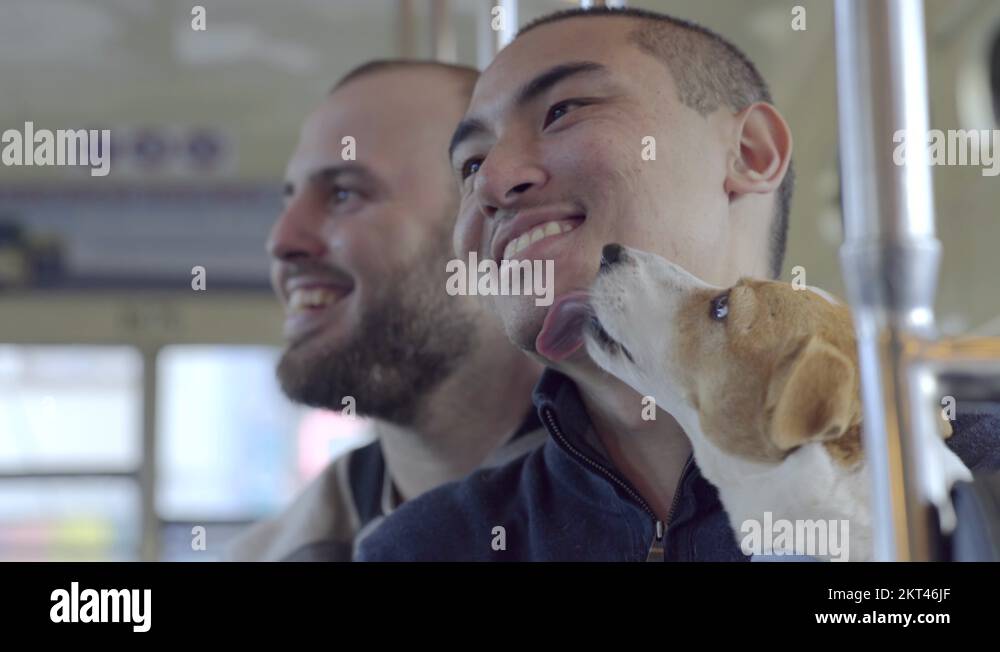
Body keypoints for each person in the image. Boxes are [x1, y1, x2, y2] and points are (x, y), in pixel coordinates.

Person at [357, 8, 1000, 561]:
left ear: (749, 152)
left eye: (563, 111)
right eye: (469, 165)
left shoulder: (984, 480)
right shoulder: (429, 545)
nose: (492, 182)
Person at [225, 60, 544, 562]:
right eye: (290, 199)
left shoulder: (681, 514)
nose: (281, 241)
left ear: (495, 229)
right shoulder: (275, 553)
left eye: (345, 193)